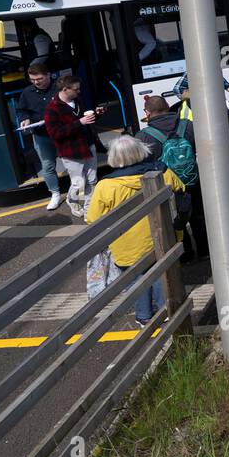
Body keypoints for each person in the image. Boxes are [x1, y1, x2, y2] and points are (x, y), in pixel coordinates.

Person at [86, 136, 186, 327]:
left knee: (135, 279)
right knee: (159, 272)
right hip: (159, 235)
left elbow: (93, 219)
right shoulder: (161, 170)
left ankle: (144, 315)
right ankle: (166, 309)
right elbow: (180, 188)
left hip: (125, 246)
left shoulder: (105, 186)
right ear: (141, 150)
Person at [137, 94, 207, 259]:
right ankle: (205, 251)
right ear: (168, 107)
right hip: (192, 179)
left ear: (147, 112)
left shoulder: (143, 136)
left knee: (174, 221)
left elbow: (142, 165)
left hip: (168, 185)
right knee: (198, 215)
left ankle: (185, 255)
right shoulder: (188, 125)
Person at [171, 73, 229, 200]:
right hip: (208, 124)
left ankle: (212, 190)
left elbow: (218, 77)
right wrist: (196, 96)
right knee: (226, 156)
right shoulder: (193, 74)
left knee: (212, 157)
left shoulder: (206, 68)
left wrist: (228, 87)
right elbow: (177, 89)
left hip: (205, 123)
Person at [43, 74, 99, 217]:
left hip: (88, 144)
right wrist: (79, 122)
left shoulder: (77, 100)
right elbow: (55, 133)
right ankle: (73, 201)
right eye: (76, 89)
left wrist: (96, 115)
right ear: (65, 89)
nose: (79, 92)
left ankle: (88, 212)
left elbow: (85, 121)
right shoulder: (52, 109)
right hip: (71, 151)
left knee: (92, 180)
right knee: (79, 184)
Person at [17, 65, 63, 209]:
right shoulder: (27, 92)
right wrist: (25, 118)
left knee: (71, 160)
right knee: (48, 166)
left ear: (48, 75)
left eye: (39, 79)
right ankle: (55, 194)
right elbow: (22, 109)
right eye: (32, 80)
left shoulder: (60, 88)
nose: (36, 82)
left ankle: (79, 189)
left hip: (62, 131)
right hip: (41, 135)